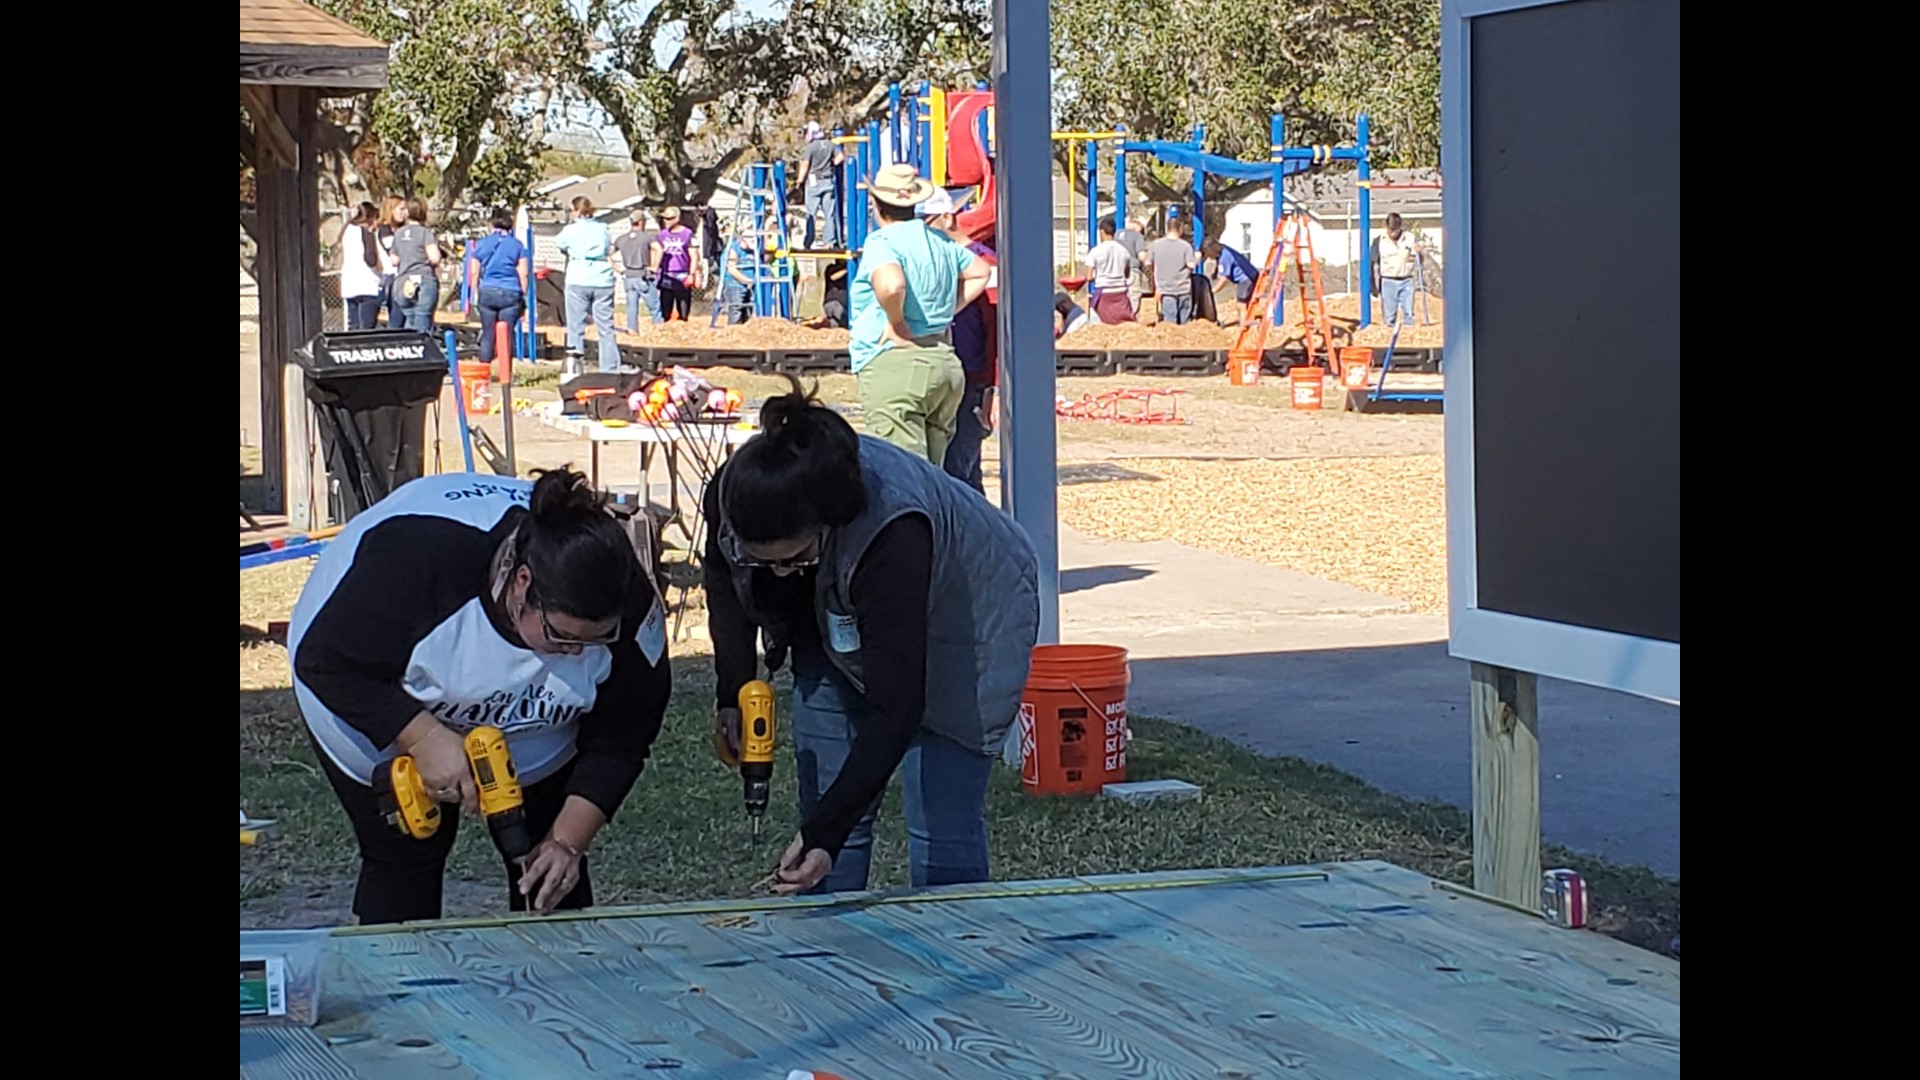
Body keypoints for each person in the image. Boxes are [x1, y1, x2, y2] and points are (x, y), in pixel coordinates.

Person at [289, 467, 672, 925]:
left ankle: (562, 982)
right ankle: (401, 986)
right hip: (376, 700)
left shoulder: (626, 593)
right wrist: (423, 736)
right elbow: (324, 660)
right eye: (561, 635)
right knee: (408, 853)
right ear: (522, 583)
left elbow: (626, 731)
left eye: (594, 641)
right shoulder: (417, 557)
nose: (574, 652)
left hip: (539, 731)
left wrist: (567, 842)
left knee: (549, 869)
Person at [702, 382, 1039, 895]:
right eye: (760, 559)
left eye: (792, 559)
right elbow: (724, 576)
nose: (778, 572)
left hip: (967, 612)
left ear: (828, 523)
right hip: (833, 613)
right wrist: (733, 688)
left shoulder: (892, 530)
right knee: (831, 799)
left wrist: (825, 835)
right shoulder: (735, 495)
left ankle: (959, 948)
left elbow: (897, 707)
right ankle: (827, 961)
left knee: (941, 818)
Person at [848, 165, 994, 465]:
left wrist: (896, 322)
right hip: (943, 362)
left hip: (896, 364)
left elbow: (892, 284)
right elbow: (980, 272)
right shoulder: (937, 240)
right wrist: (946, 312)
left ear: (876, 204)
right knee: (934, 474)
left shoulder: (882, 242)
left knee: (904, 475)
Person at [920, 193, 999, 493]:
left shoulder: (985, 264)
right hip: (942, 373)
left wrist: (993, 388)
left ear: (948, 218)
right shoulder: (931, 258)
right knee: (956, 469)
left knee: (958, 471)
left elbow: (995, 332)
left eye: (926, 221)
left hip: (971, 380)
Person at [555, 196, 621, 373]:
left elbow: (560, 244)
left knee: (575, 326)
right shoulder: (603, 228)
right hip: (602, 278)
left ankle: (575, 367)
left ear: (576, 211)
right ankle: (610, 368)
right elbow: (608, 247)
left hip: (578, 276)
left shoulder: (570, 229)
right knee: (606, 327)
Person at [467, 209, 530, 368]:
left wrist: (475, 293)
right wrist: (523, 294)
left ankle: (484, 371)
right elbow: (524, 272)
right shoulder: (517, 245)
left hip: (487, 291)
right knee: (506, 336)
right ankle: (505, 375)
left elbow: (474, 271)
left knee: (488, 334)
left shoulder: (482, 244)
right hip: (510, 292)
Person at [388, 197, 443, 333]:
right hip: (423, 279)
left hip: (402, 281)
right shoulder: (425, 233)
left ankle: (410, 346)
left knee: (410, 318)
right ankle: (422, 347)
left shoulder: (398, 233)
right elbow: (435, 258)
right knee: (422, 317)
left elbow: (394, 260)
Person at [1372, 212, 1427, 328]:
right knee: (1389, 315)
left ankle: (1408, 332)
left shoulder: (1410, 238)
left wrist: (1419, 252)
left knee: (1408, 312)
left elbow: (1420, 259)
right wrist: (1373, 285)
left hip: (1407, 280)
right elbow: (1373, 263)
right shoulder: (1379, 241)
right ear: (1386, 227)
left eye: (1396, 230)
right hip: (1388, 281)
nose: (1393, 233)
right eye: (1391, 230)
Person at [796, 120, 844, 250]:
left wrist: (799, 181)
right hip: (828, 181)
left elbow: (805, 165)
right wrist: (832, 163)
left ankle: (808, 241)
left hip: (813, 183)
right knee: (829, 213)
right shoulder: (831, 145)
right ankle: (829, 241)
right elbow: (841, 157)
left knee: (811, 213)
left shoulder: (809, 148)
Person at [612, 211, 661, 333]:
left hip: (628, 276)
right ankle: (658, 330)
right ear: (641, 222)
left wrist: (617, 268)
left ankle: (632, 330)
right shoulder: (647, 237)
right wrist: (654, 266)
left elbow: (608, 253)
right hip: (642, 275)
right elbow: (659, 249)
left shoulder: (621, 239)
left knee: (631, 307)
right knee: (655, 307)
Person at [338, 202, 384, 330]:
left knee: (354, 325)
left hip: (349, 284)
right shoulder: (365, 233)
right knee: (367, 327)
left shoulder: (346, 230)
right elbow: (371, 259)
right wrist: (380, 268)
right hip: (367, 285)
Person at [650, 207, 700, 322]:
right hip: (666, 275)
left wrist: (692, 274)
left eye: (669, 218)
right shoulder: (661, 235)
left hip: (683, 275)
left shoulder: (688, 234)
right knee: (665, 310)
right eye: (664, 219)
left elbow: (694, 256)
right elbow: (654, 252)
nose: (666, 221)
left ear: (677, 218)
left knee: (683, 309)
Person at [1143, 218, 1197, 325]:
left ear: (1167, 228)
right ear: (1180, 228)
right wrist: (1198, 258)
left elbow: (1148, 262)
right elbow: (1191, 265)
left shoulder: (1156, 244)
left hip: (1165, 289)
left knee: (1169, 321)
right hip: (1183, 288)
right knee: (1185, 322)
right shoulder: (1186, 246)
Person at [1084, 218, 1137, 325]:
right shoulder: (1124, 251)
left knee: (1098, 323)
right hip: (1121, 291)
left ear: (1102, 232)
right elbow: (1126, 274)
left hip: (1104, 292)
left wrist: (1098, 277)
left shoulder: (1095, 252)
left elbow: (1089, 277)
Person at [1202, 239, 1261, 326]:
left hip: (1245, 278)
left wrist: (1213, 291)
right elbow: (1218, 262)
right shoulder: (1223, 250)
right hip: (1247, 276)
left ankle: (1244, 324)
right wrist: (1215, 271)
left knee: (1241, 304)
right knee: (1245, 302)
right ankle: (1247, 320)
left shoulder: (1225, 257)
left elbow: (1224, 279)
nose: (1209, 257)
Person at [718, 226, 757, 325]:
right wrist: (747, 281)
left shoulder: (755, 250)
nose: (753, 239)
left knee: (750, 310)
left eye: (754, 237)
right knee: (737, 308)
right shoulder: (733, 249)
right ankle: (734, 330)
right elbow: (732, 269)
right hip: (735, 283)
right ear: (742, 239)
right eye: (750, 237)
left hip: (752, 283)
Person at [376, 195, 404, 328]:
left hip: (403, 275)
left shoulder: (402, 229)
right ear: (391, 210)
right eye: (401, 209)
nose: (405, 213)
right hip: (392, 277)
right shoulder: (384, 230)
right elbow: (394, 253)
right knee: (396, 318)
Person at [1115, 217, 1149, 316]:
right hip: (1132, 270)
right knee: (1134, 296)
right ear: (1138, 228)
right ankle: (1132, 317)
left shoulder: (1117, 235)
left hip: (1117, 270)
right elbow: (1141, 255)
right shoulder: (1137, 236)